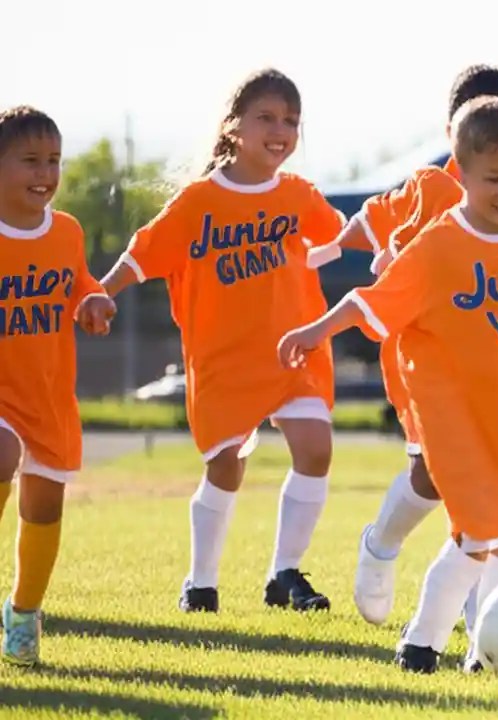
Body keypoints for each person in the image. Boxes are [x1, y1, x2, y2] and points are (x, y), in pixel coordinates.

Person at [277, 96, 498, 673]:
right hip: (464, 423)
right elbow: (369, 303)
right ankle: (423, 642)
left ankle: (485, 650)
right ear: (463, 171)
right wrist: (315, 329)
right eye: (494, 179)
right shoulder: (440, 246)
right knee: (479, 530)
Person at [99, 69, 344, 614]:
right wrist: (101, 293)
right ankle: (201, 581)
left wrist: (388, 246)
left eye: (291, 122)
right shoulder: (198, 202)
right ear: (233, 127)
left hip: (293, 352)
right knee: (225, 465)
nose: (280, 131)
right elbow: (141, 253)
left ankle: (285, 573)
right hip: (223, 362)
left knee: (316, 447)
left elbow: (338, 239)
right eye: (267, 118)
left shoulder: (300, 195)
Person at [0, 106, 116, 665]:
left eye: (53, 160)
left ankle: (22, 615)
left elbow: (78, 284)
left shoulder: (66, 230)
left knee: (43, 509)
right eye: (29, 161)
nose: (44, 172)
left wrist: (92, 299)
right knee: (2, 453)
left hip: (46, 396)